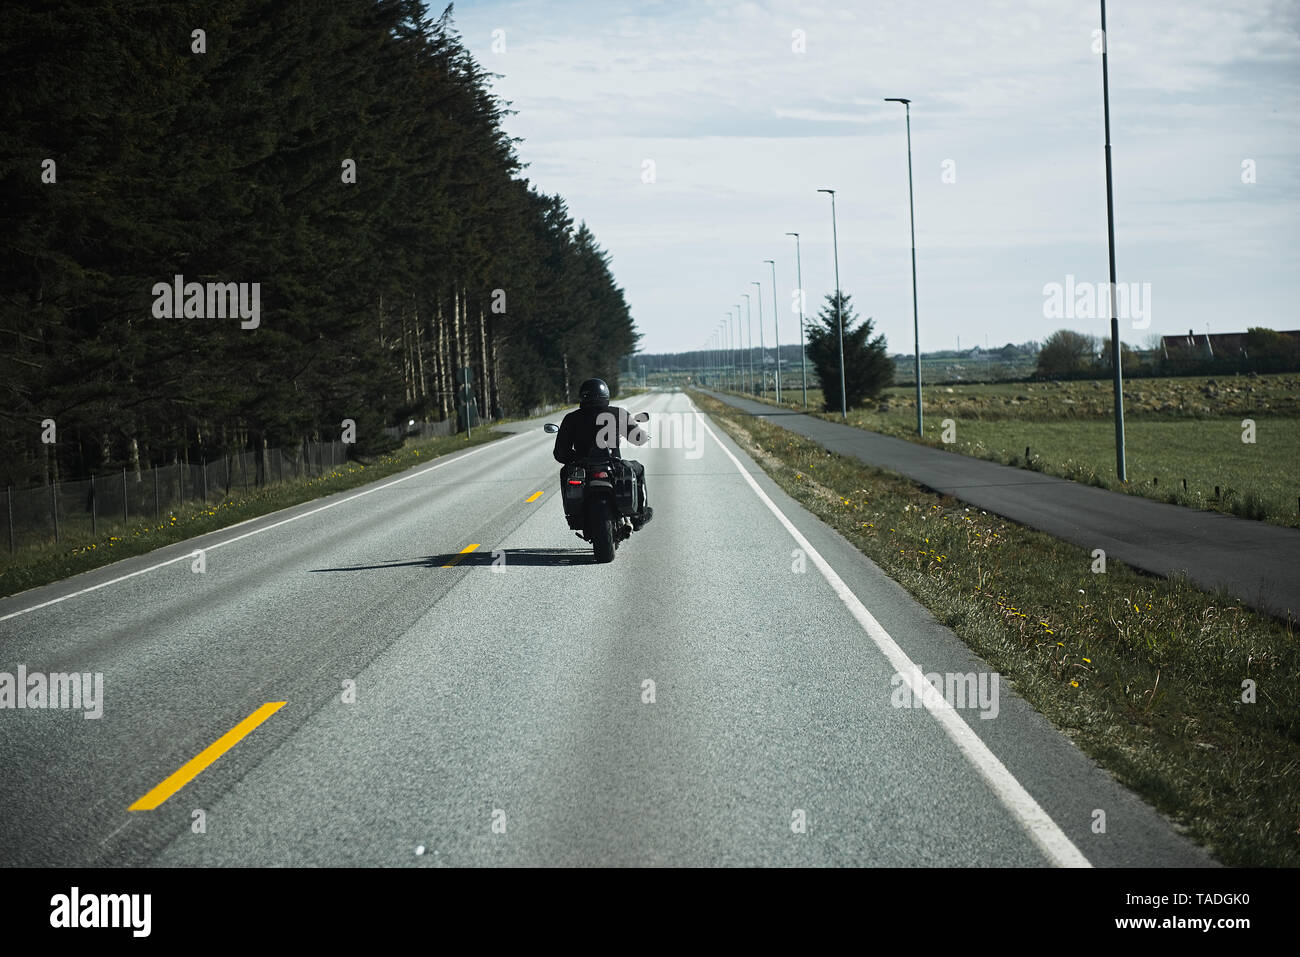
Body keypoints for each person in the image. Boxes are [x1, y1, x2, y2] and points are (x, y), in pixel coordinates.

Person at [552, 377, 652, 529]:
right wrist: (643, 436)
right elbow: (638, 439)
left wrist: (577, 459)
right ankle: (639, 516)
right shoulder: (618, 413)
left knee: (566, 473)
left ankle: (575, 516)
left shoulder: (571, 418)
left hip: (583, 466)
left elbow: (560, 453)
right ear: (606, 395)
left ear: (582, 396)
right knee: (639, 469)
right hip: (613, 464)